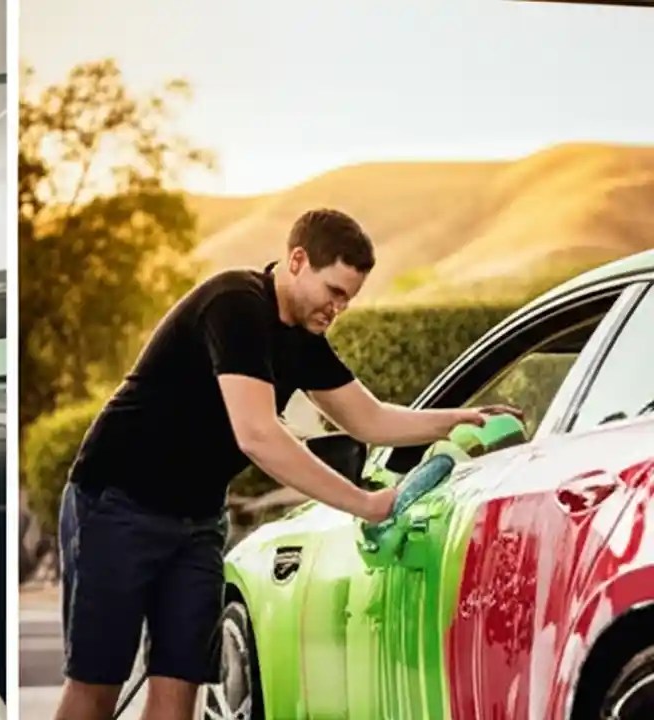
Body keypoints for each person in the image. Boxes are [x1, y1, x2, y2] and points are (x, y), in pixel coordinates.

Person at [53, 208, 519, 720]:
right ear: (297, 261)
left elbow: (370, 419)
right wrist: (364, 504)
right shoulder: (234, 304)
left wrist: (459, 419)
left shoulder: (304, 342)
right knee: (98, 683)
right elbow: (257, 435)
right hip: (118, 504)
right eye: (334, 291)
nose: (337, 309)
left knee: (181, 679)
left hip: (198, 523)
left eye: (349, 298)